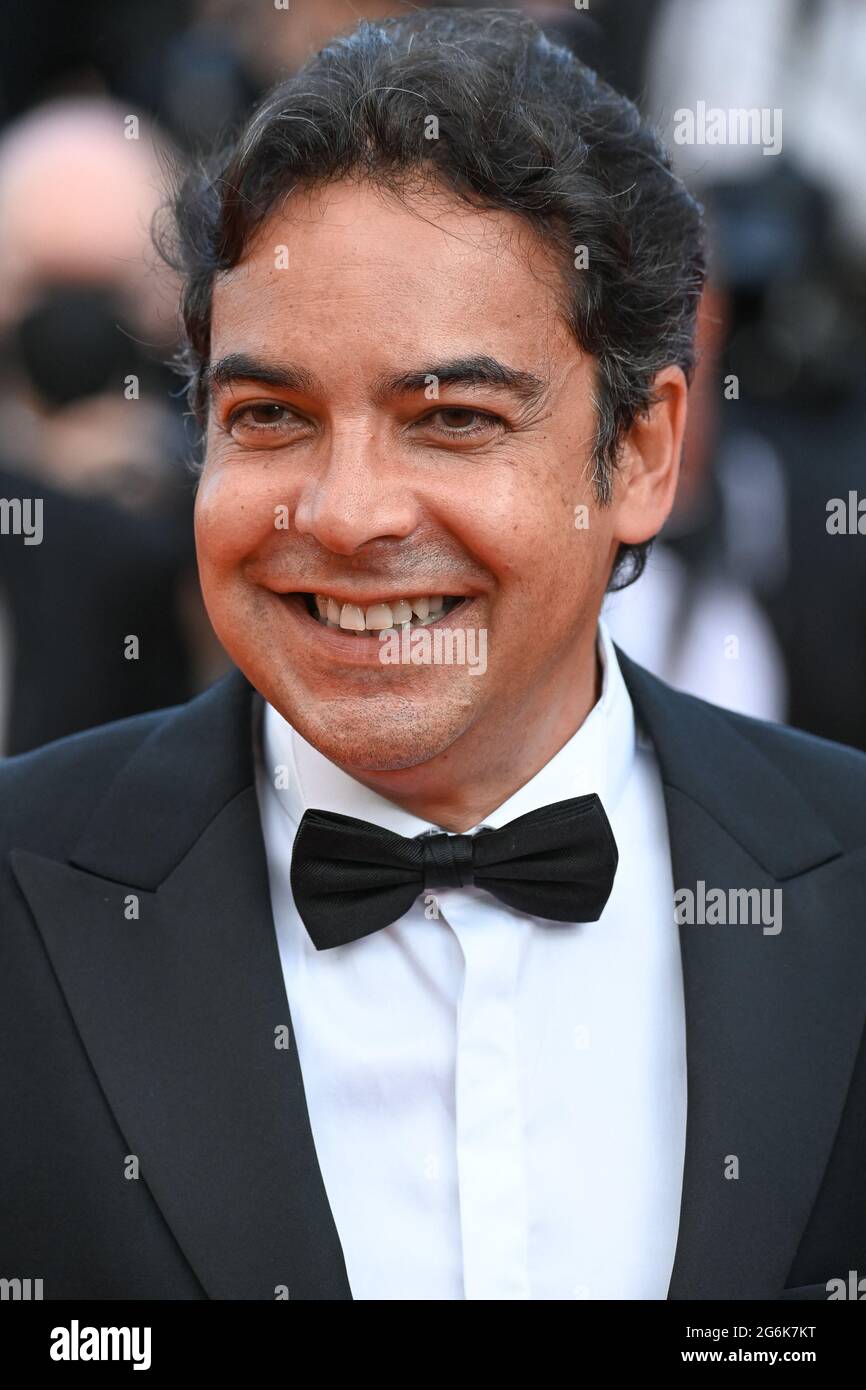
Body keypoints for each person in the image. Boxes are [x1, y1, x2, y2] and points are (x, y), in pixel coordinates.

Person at [2, 8, 864, 1302]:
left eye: (451, 418)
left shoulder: (845, 884)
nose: (345, 514)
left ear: (640, 452)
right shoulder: (23, 903)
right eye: (270, 416)